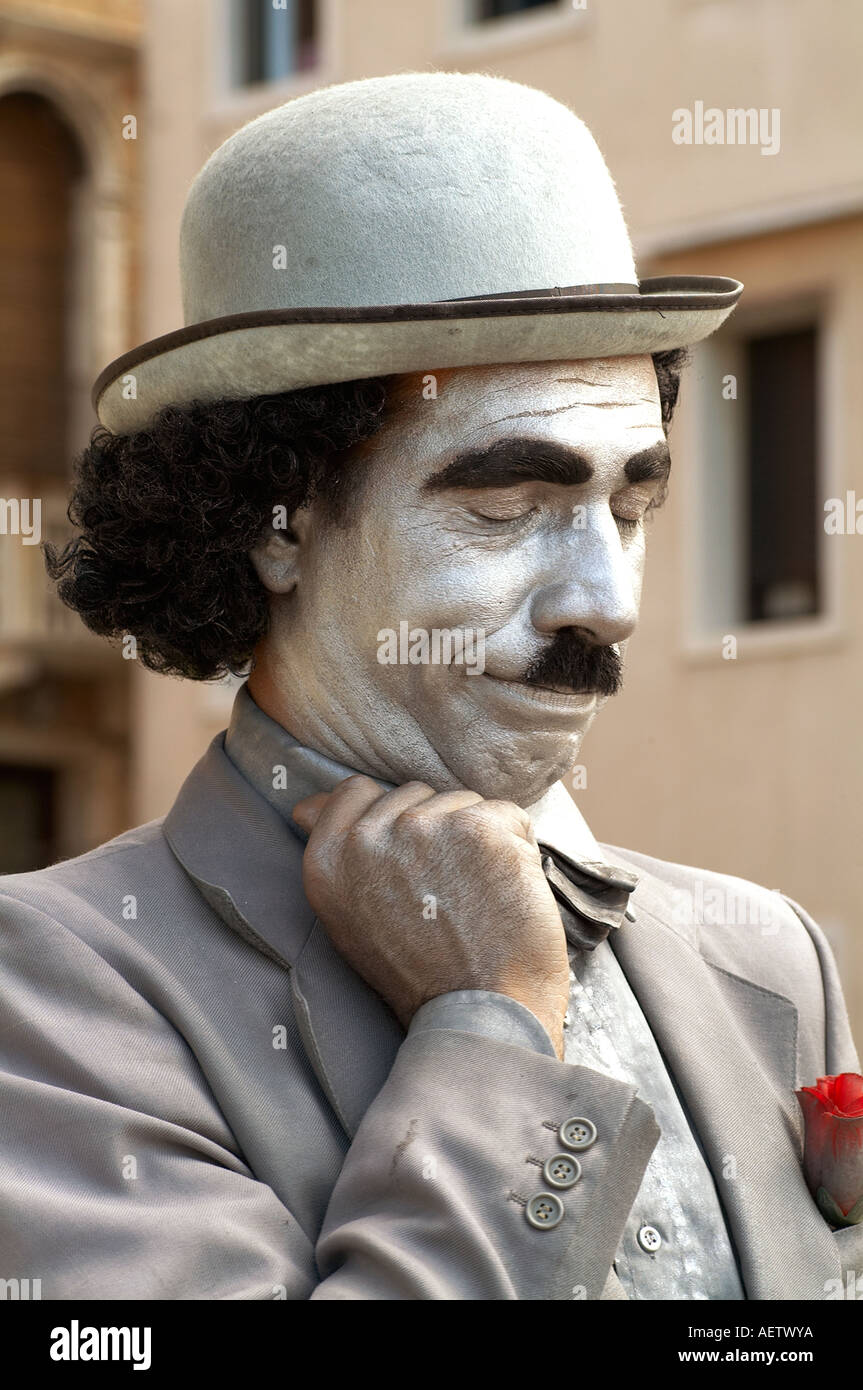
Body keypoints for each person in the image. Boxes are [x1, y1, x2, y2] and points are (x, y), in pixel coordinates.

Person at [2, 71, 858, 1300]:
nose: (604, 599)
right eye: (508, 507)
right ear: (272, 521)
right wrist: (494, 1021)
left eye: (628, 504)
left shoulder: (768, 957)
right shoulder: (45, 998)